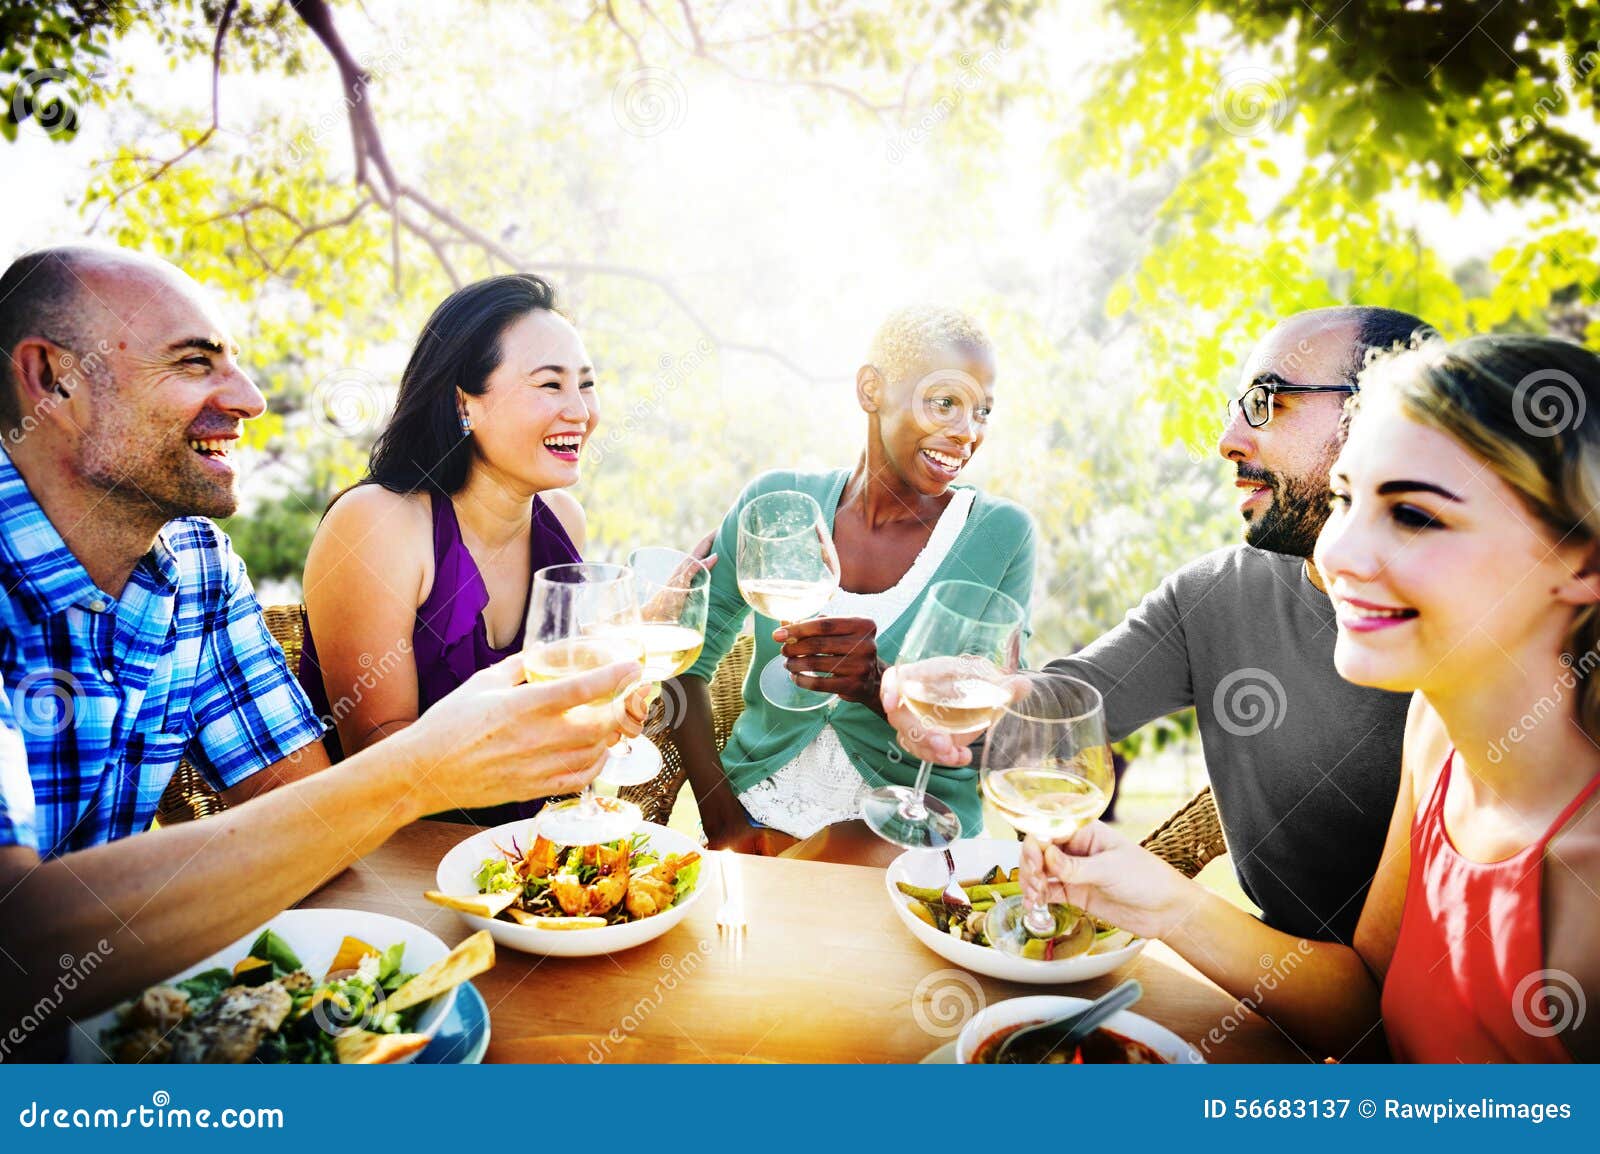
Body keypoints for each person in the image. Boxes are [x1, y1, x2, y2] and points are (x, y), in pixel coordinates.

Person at [0, 247, 639, 1050]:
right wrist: (425, 766)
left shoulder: (194, 566)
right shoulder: (380, 523)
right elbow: (13, 944)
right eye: (196, 363)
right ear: (52, 380)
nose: (251, 399)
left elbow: (307, 814)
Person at [1026, 334, 1600, 1062]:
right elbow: (1369, 1013)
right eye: (1344, 500)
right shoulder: (1438, 732)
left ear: (1583, 560)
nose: (1340, 555)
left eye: (1415, 516)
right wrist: (1161, 903)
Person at [885, 306, 1430, 942]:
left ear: (1385, 415)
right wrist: (980, 693)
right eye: (1236, 406)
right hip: (1264, 995)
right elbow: (1069, 704)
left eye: (1268, 401)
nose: (1229, 439)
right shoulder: (1218, 593)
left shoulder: (1483, 634)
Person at [676, 306, 1036, 866]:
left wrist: (876, 685)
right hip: (754, 809)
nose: (968, 433)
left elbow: (997, 732)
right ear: (872, 389)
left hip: (910, 829)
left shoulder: (1001, 535)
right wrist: (721, 817)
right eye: (945, 403)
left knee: (814, 880)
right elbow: (686, 662)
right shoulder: (777, 503)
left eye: (983, 411)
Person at [300, 273, 646, 825]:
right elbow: (381, 766)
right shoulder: (377, 525)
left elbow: (559, 706)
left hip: (520, 861)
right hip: (386, 868)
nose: (581, 412)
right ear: (465, 402)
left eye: (587, 384)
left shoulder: (563, 522)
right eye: (550, 385)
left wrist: (602, 708)